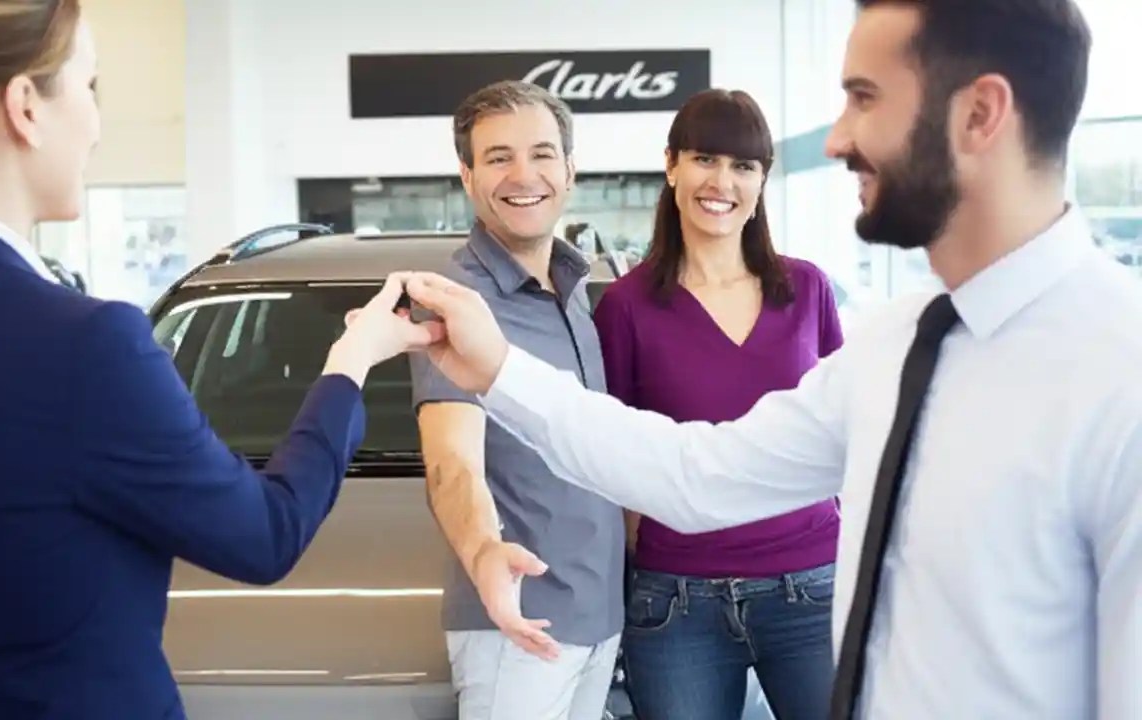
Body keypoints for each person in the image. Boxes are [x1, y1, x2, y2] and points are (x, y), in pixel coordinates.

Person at [402, 1, 1142, 718]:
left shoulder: (1119, 371)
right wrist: (499, 368)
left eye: (865, 99)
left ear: (978, 113)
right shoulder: (897, 349)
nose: (836, 140)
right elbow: (697, 476)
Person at [0, 3, 435, 719]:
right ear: (25, 108)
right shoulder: (86, 344)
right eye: (90, 88)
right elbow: (267, 535)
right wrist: (352, 360)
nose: (97, 125)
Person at [595, 88, 842, 720]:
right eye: (705, 158)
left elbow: (846, 425)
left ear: (763, 179)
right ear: (671, 164)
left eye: (743, 166)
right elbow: (615, 459)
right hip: (678, 603)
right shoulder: (626, 307)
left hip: (811, 585)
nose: (721, 182)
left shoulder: (806, 288)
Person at [408, 80, 625, 720]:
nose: (523, 174)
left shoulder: (575, 290)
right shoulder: (456, 298)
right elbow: (452, 461)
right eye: (498, 157)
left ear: (569, 171)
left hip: (599, 614)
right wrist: (482, 551)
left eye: (541, 154)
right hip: (519, 621)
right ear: (468, 177)